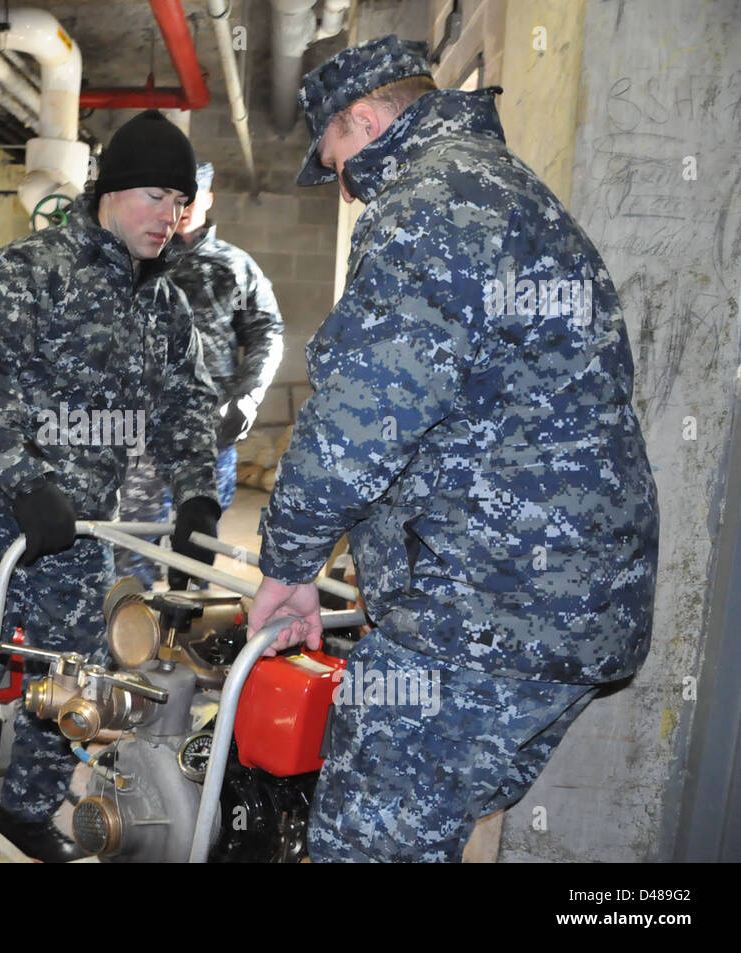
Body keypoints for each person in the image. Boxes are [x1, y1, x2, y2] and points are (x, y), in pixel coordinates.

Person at [247, 36, 659, 862]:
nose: (347, 188)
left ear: (363, 121)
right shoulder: (508, 192)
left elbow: (359, 421)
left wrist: (286, 566)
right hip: (571, 610)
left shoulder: (429, 202)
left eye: (337, 162)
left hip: (485, 612)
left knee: (364, 841)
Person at [0, 110, 222, 863]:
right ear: (111, 192)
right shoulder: (27, 272)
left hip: (81, 535)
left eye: (180, 202)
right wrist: (25, 480)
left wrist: (198, 497)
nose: (170, 217)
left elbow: (190, 411)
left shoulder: (165, 307)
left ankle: (25, 818)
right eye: (156, 196)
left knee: (73, 687)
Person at [115, 160, 284, 588]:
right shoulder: (137, 260)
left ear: (208, 199)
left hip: (209, 431)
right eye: (175, 196)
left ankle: (182, 639)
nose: (183, 207)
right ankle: (128, 639)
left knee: (195, 548)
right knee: (132, 545)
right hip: (139, 433)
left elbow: (266, 332)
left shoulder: (233, 269)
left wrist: (249, 396)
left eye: (193, 197)